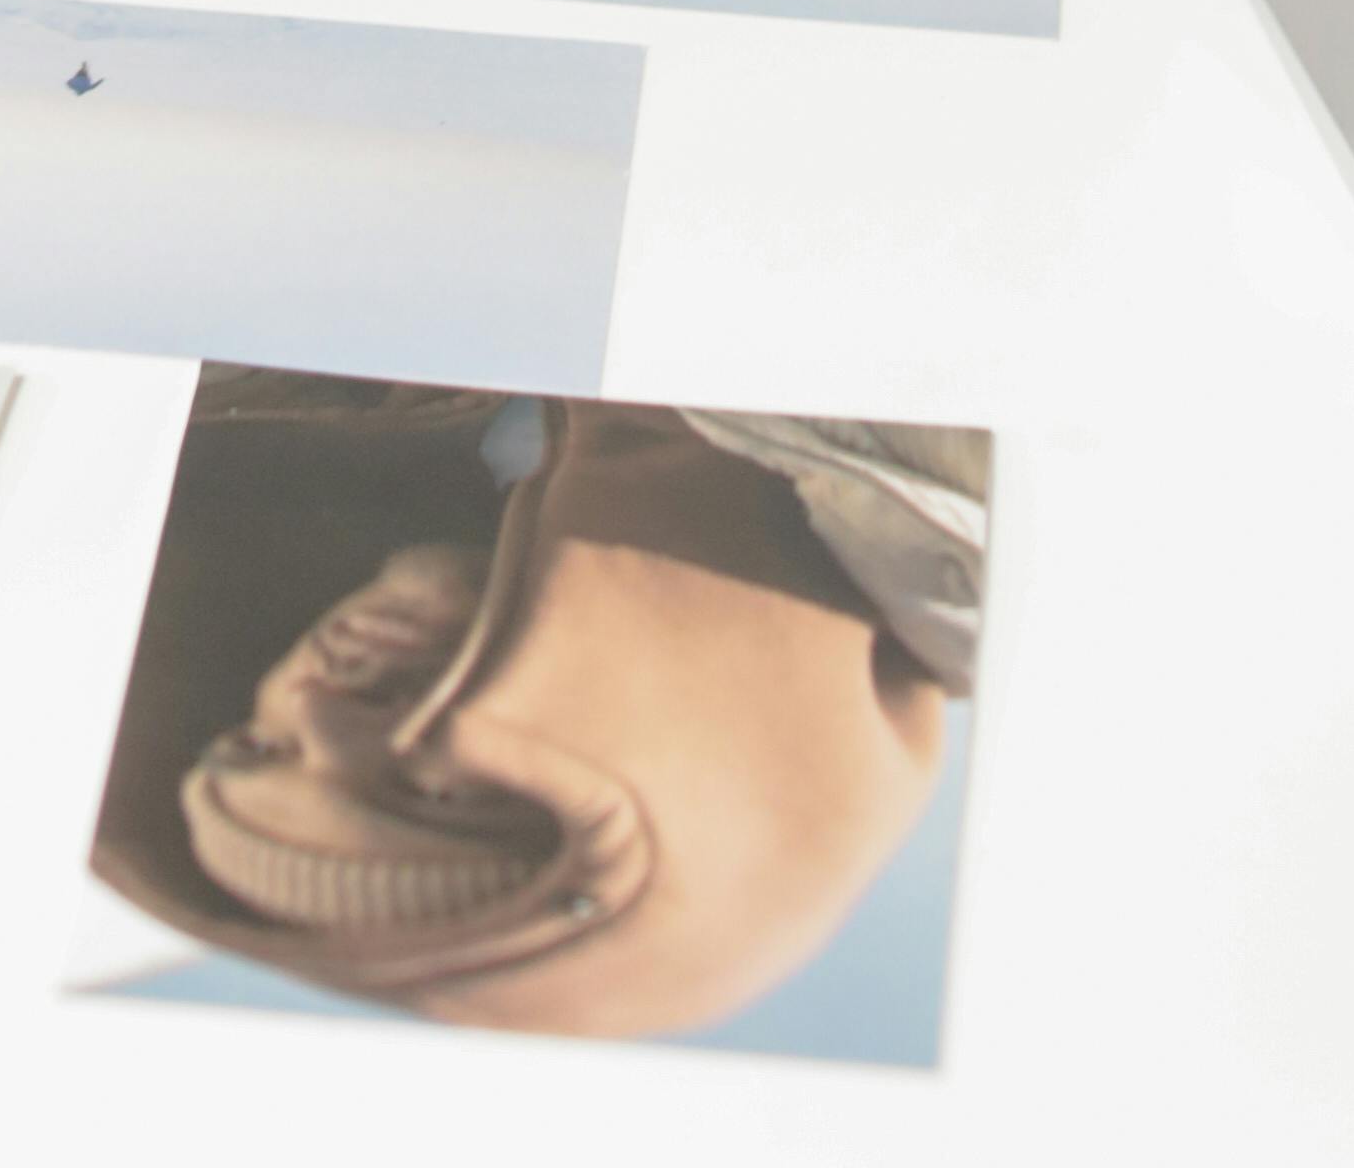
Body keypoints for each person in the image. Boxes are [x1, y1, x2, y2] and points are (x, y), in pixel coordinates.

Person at [93, 377, 986, 1037]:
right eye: (434, 793)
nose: (320, 707)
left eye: (256, 743)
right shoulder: (990, 469)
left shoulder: (292, 376)